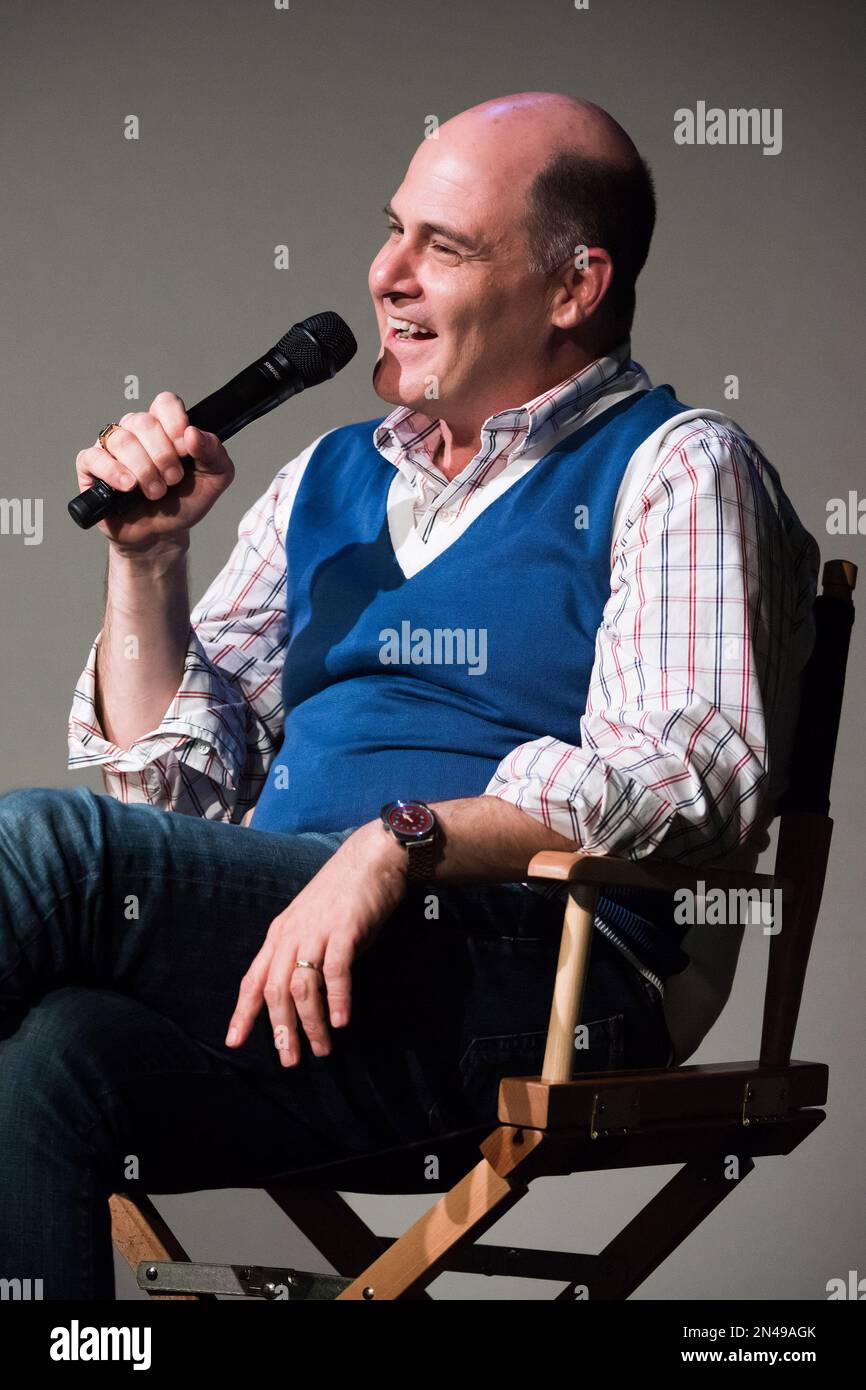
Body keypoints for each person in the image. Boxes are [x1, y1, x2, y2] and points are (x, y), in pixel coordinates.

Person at [0, 93, 819, 1300]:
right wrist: (147, 563)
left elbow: (682, 780)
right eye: (392, 230)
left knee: (45, 853)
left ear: (572, 286)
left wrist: (402, 844)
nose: (385, 273)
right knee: (52, 1060)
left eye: (443, 245)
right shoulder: (323, 478)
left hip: (534, 974)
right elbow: (166, 789)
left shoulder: (675, 464)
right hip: (289, 970)